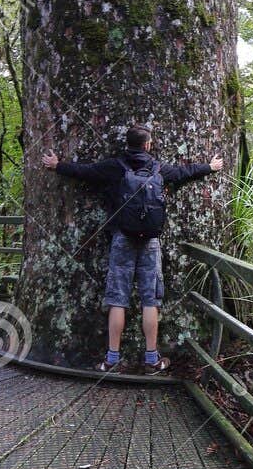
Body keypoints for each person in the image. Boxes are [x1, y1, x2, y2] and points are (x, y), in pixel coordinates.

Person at [42, 124, 223, 373]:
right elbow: (184, 172)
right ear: (148, 145)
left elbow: (85, 172)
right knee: (151, 298)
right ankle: (151, 360)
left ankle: (112, 358)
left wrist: (57, 165)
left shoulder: (115, 167)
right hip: (150, 240)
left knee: (118, 298)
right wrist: (209, 167)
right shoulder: (159, 168)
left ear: (127, 144)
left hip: (122, 238)